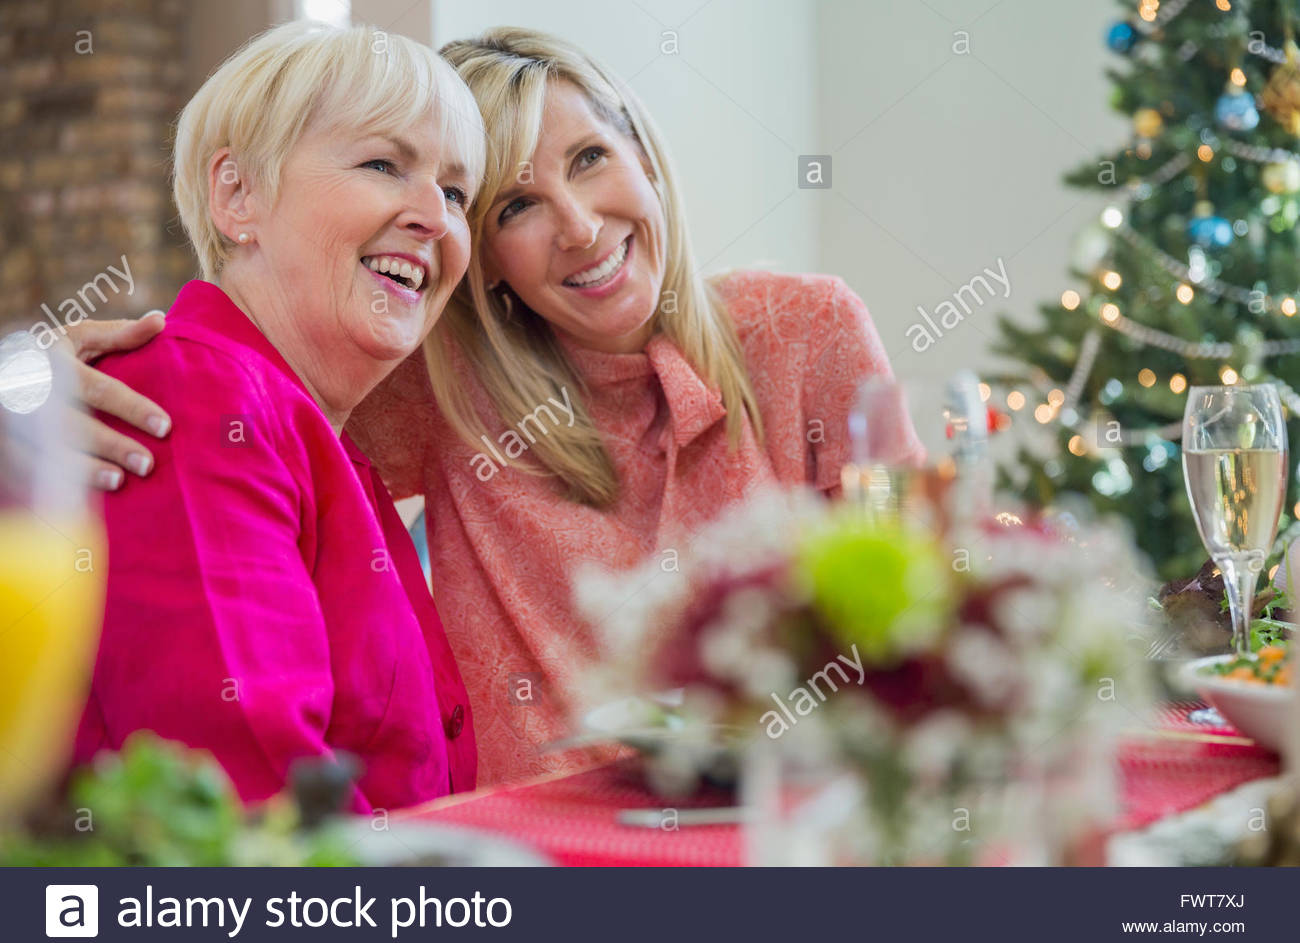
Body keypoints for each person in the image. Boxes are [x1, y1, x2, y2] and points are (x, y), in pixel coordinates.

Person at [72, 27, 922, 788]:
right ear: (487, 266)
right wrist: (30, 393)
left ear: (645, 157)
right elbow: (234, 373)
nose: (582, 228)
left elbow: (927, 615)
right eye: (513, 205)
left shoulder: (803, 327)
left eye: (590, 157)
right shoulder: (434, 387)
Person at [66, 21, 484, 809]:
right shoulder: (189, 392)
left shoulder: (309, 430)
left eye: (456, 192)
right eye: (382, 164)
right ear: (238, 195)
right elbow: (248, 790)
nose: (436, 215)